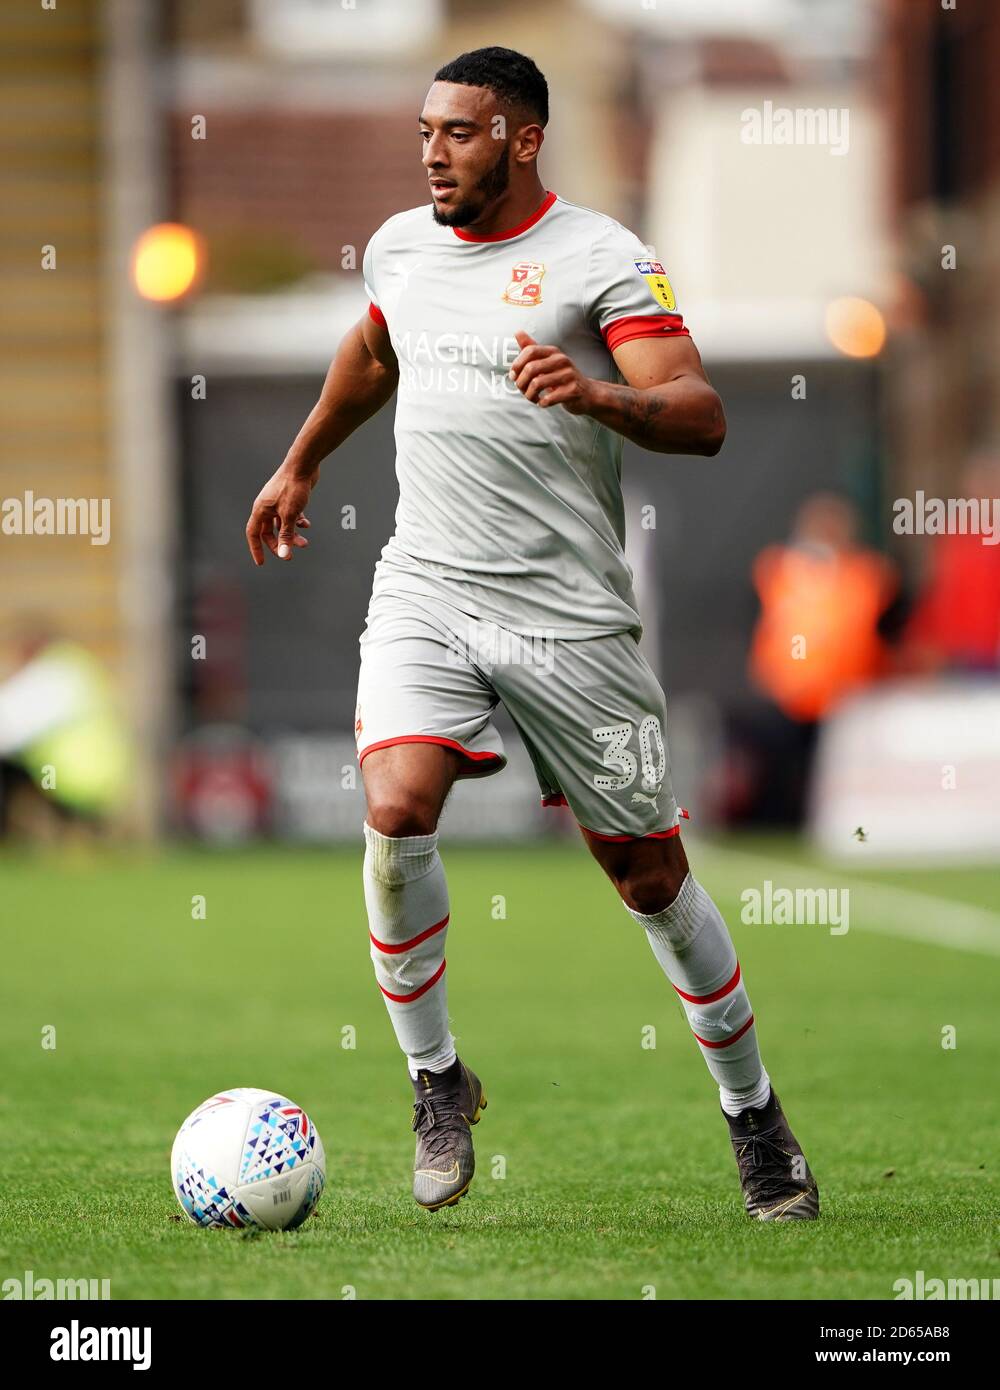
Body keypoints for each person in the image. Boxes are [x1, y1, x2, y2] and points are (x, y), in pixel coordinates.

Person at [245, 47, 818, 1221]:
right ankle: (437, 1080)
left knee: (649, 877)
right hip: (428, 589)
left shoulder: (602, 257)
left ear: (520, 136)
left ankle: (753, 1114)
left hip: (569, 616)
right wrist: (301, 460)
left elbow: (699, 415)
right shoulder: (401, 245)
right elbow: (371, 350)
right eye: (424, 132)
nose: (432, 153)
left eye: (457, 132)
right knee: (396, 806)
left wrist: (600, 394)